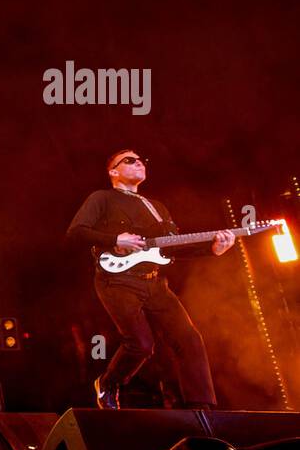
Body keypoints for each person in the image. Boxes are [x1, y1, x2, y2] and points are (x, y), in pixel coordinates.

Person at [66, 150, 234, 410]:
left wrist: (212, 250)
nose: (139, 162)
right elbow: (76, 234)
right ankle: (108, 383)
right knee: (142, 345)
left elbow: (171, 248)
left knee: (189, 340)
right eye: (130, 160)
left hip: (154, 282)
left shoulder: (157, 207)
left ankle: (202, 410)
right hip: (117, 281)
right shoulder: (101, 198)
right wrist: (114, 240)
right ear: (113, 171)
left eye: (141, 159)